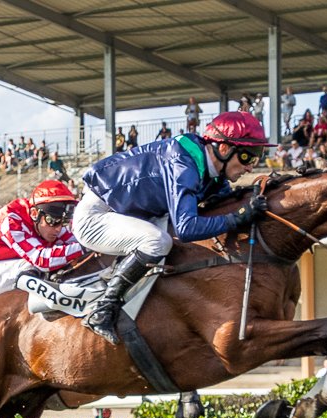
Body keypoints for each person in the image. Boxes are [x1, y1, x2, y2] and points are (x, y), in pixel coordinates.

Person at [73, 111, 274, 344]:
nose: (251, 167)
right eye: (249, 156)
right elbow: (187, 228)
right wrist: (236, 218)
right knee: (158, 241)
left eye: (257, 157)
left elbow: (222, 204)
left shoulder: (210, 169)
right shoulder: (184, 162)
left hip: (132, 215)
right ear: (224, 149)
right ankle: (102, 310)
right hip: (96, 217)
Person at [0, 180, 84, 305]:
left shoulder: (45, 221)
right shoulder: (10, 220)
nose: (58, 228)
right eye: (52, 221)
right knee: (31, 265)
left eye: (63, 222)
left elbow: (79, 243)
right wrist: (85, 247)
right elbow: (42, 260)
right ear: (34, 213)